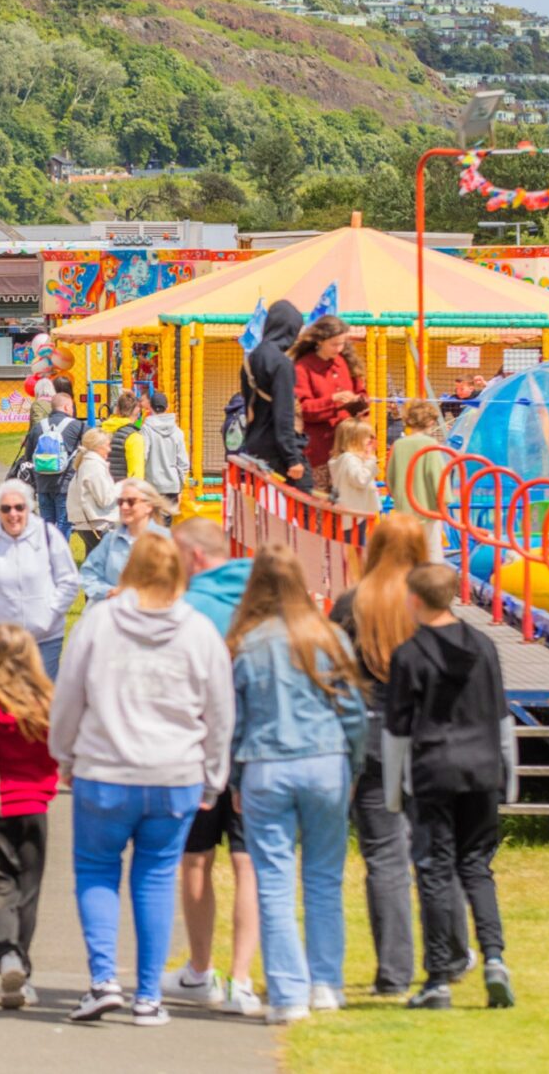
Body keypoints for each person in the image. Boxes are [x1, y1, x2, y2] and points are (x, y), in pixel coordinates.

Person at [50, 535, 235, 1027]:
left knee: (96, 870)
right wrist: (213, 778)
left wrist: (62, 754)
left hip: (104, 770)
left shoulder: (100, 623)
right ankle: (149, 995)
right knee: (155, 879)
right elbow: (220, 713)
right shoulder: (198, 631)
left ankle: (104, 979)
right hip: (176, 774)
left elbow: (68, 695)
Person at [229, 544, 368, 1025]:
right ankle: (326, 982)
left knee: (273, 879)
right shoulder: (329, 637)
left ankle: (288, 993)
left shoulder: (246, 643)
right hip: (326, 761)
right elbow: (352, 712)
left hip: (266, 764)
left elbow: (236, 719)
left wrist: (236, 778)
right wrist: (352, 763)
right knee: (324, 877)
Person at [329, 513, 461, 998]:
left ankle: (393, 970)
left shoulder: (350, 604)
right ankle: (448, 956)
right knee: (435, 853)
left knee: (383, 857)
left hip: (369, 742)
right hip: (428, 742)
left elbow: (333, 675)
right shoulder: (431, 606)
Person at [387, 564, 517, 1012]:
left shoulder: (409, 655)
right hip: (482, 770)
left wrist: (392, 791)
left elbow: (397, 731)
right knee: (477, 867)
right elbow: (503, 717)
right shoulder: (484, 646)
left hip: (433, 772)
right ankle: (495, 959)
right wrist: (509, 776)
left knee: (435, 872)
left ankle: (438, 979)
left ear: (417, 600)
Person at [165, 514, 262, 1015]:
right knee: (248, 864)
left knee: (196, 860)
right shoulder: (260, 602)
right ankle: (242, 978)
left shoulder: (187, 609)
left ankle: (200, 970)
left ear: (194, 556)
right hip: (255, 749)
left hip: (200, 752)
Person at [0, 625, 60, 1012]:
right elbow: (54, 752)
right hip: (34, 807)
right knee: (28, 891)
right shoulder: (45, 701)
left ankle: (7, 954)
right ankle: (23, 966)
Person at [0, 480, 81, 679]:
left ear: (29, 508)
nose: (13, 514)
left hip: (45, 638)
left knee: (42, 701)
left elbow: (69, 580)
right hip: (3, 640)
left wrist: (50, 614)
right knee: (5, 703)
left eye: (19, 507)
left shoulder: (48, 535)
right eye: (6, 509)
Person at [239, 300, 307, 488]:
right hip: (278, 450)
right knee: (305, 506)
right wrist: (292, 458)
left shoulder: (250, 359)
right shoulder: (281, 364)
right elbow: (283, 414)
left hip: (255, 445)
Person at [293, 314, 366, 484]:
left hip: (348, 449)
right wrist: (333, 400)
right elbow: (303, 408)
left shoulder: (346, 363)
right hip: (319, 453)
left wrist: (358, 401)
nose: (339, 349)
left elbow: (362, 392)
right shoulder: (303, 368)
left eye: (342, 343)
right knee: (321, 503)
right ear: (320, 341)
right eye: (334, 344)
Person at [76, 479, 171, 603]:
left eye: (131, 502)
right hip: (113, 613)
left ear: (148, 506)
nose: (124, 507)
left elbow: (176, 581)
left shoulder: (165, 540)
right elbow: (88, 573)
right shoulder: (110, 540)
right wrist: (109, 592)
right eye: (120, 502)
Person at [389, 400, 448, 560]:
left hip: (405, 507)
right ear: (430, 421)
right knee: (432, 549)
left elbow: (391, 477)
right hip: (428, 508)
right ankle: (431, 582)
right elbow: (437, 475)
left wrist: (397, 497)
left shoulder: (399, 444)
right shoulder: (430, 444)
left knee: (408, 550)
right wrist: (444, 500)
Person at [21, 393, 83, 536]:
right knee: (64, 521)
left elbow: (28, 456)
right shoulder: (77, 426)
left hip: (42, 483)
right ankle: (60, 554)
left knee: (46, 523)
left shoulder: (38, 427)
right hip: (64, 483)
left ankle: (46, 553)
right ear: (67, 407)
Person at [139, 391, 193, 523]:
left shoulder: (146, 429)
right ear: (167, 407)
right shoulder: (177, 432)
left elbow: (143, 455)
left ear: (150, 408)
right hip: (172, 485)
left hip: (152, 483)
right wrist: (179, 484)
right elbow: (183, 463)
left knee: (151, 522)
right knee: (166, 523)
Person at [65, 428, 118, 555]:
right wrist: (121, 489)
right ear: (98, 447)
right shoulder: (94, 466)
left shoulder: (87, 464)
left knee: (93, 563)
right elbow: (105, 499)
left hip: (89, 524)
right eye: (107, 445)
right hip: (97, 524)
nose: (110, 450)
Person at [100, 390, 147, 484]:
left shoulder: (102, 429)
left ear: (117, 409)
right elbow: (136, 472)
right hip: (121, 490)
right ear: (137, 411)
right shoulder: (134, 437)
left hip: (102, 488)